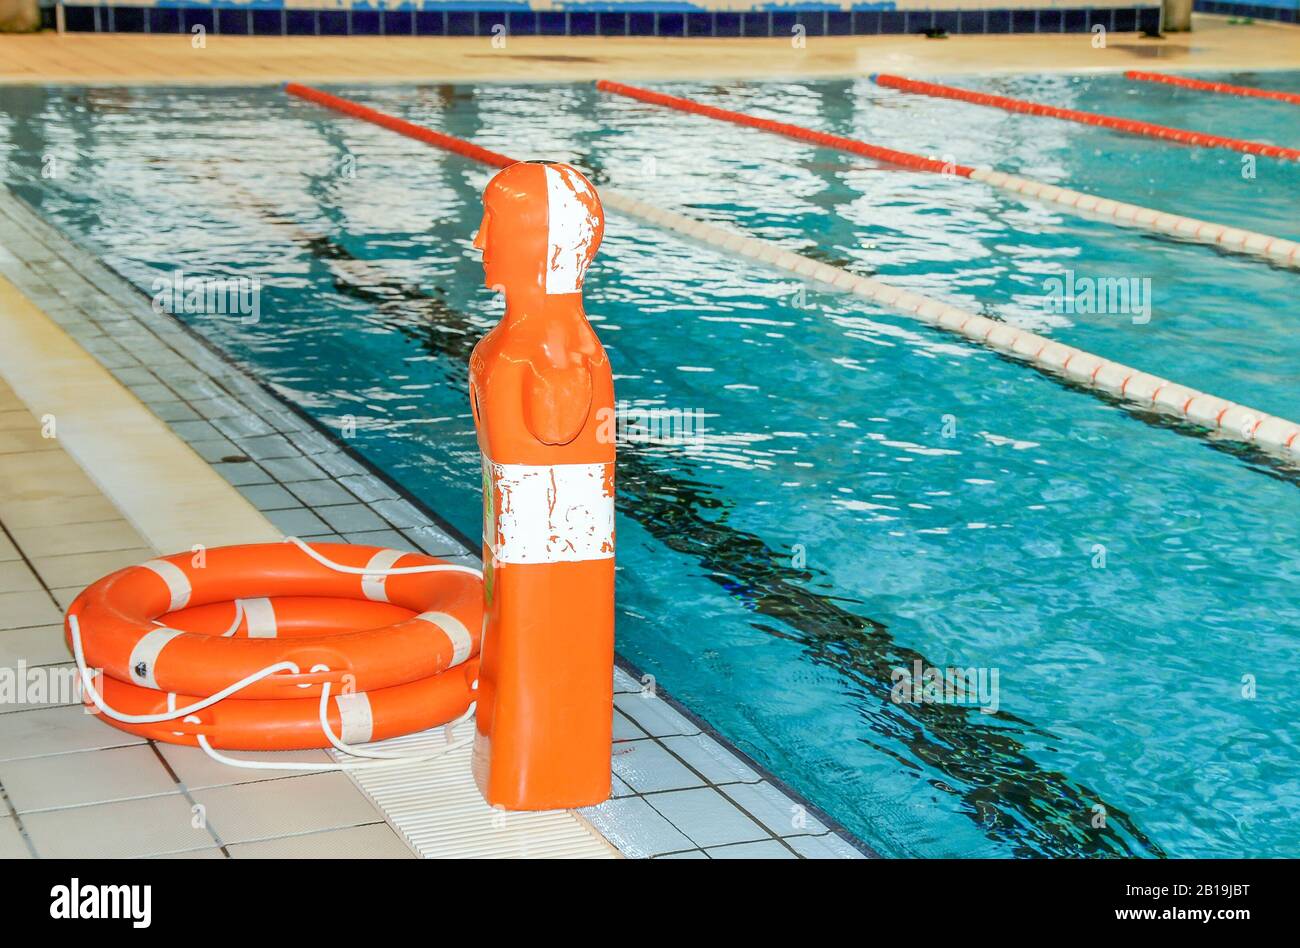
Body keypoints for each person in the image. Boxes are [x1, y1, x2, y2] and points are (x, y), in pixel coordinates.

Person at [468, 161, 616, 810]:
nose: (478, 240)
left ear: (539, 244)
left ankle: (544, 776)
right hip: (520, 551)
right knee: (510, 634)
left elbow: (554, 431)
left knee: (533, 643)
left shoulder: (552, 356)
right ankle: (522, 768)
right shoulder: (526, 345)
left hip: (551, 560)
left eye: (492, 224)